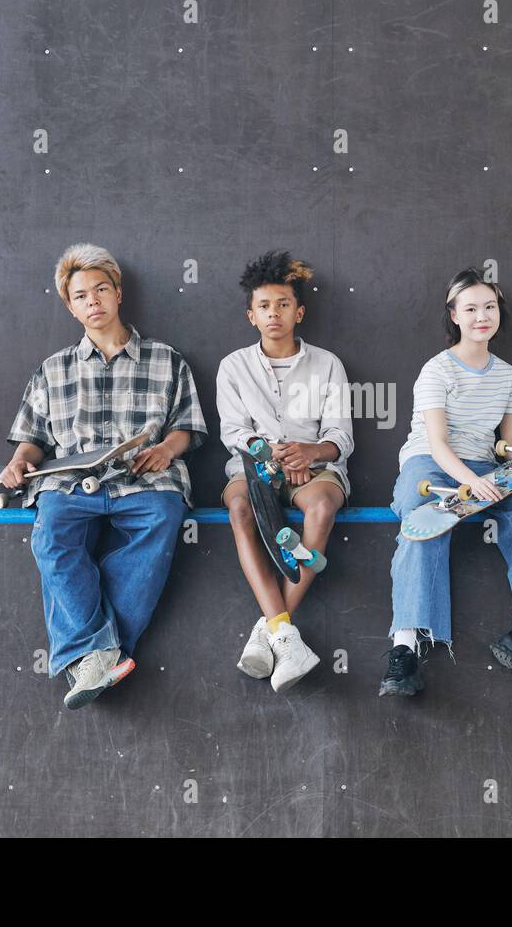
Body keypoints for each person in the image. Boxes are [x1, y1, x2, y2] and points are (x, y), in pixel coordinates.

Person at [2, 243, 207, 710]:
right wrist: (19, 461)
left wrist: (164, 449)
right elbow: (31, 437)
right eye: (80, 296)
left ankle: (91, 653)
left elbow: (189, 428)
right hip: (71, 484)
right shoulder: (53, 370)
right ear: (70, 307)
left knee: (161, 520)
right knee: (51, 533)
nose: (92, 300)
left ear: (117, 294)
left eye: (100, 290)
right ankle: (103, 652)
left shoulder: (166, 359)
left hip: (145, 480)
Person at [380, 268, 512, 697]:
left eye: (489, 307)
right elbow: (436, 444)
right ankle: (405, 650)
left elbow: (509, 445)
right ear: (454, 315)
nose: (481, 316)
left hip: (485, 467)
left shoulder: (506, 374)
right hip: (430, 465)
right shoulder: (436, 370)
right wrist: (472, 484)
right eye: (470, 308)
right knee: (423, 522)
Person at [217, 250, 352, 692]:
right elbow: (234, 433)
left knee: (322, 509)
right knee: (240, 509)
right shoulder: (233, 367)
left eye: (283, 304)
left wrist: (310, 453)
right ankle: (286, 633)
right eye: (264, 306)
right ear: (250, 315)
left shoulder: (328, 363)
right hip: (254, 467)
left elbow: (341, 438)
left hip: (314, 467)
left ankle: (273, 629)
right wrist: (272, 458)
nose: (273, 313)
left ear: (299, 311)